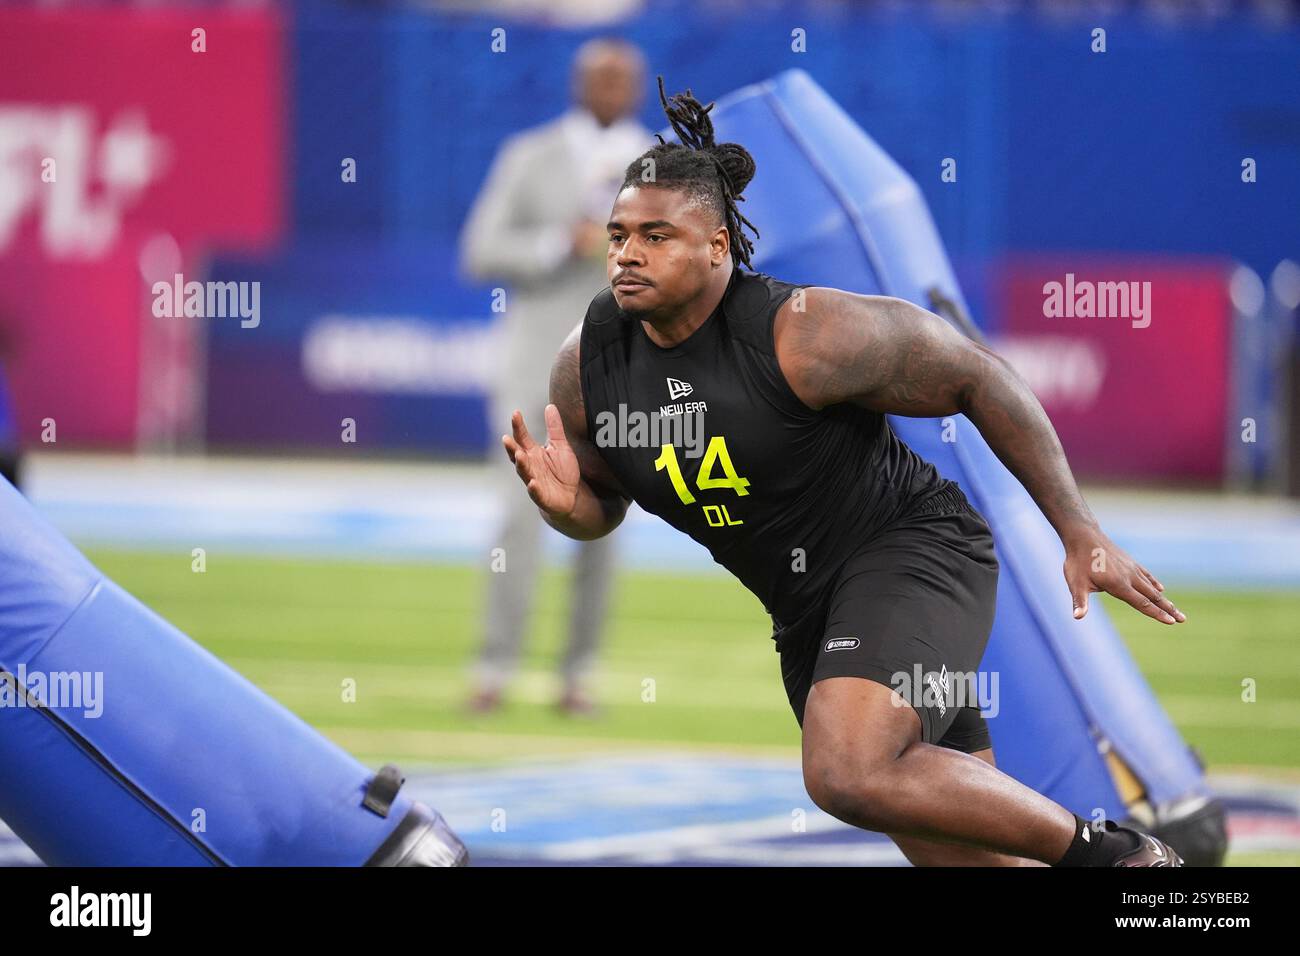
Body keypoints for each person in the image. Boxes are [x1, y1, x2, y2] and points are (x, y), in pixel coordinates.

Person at [501, 79, 1188, 865]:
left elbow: (980, 378)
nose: (627, 252)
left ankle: (1117, 854)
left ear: (718, 246)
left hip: (913, 555)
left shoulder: (802, 333)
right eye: (620, 233)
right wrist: (566, 508)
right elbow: (603, 507)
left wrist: (1079, 529)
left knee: (845, 771)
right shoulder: (589, 364)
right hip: (808, 615)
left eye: (657, 235)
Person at [460, 38, 653, 715]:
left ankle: (578, 674)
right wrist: (557, 242)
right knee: (519, 515)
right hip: (536, 363)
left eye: (622, 79)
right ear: (578, 83)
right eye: (600, 77)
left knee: (607, 520)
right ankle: (494, 666)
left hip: (621, 366)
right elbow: (480, 249)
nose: (611, 89)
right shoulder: (530, 155)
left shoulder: (658, 164)